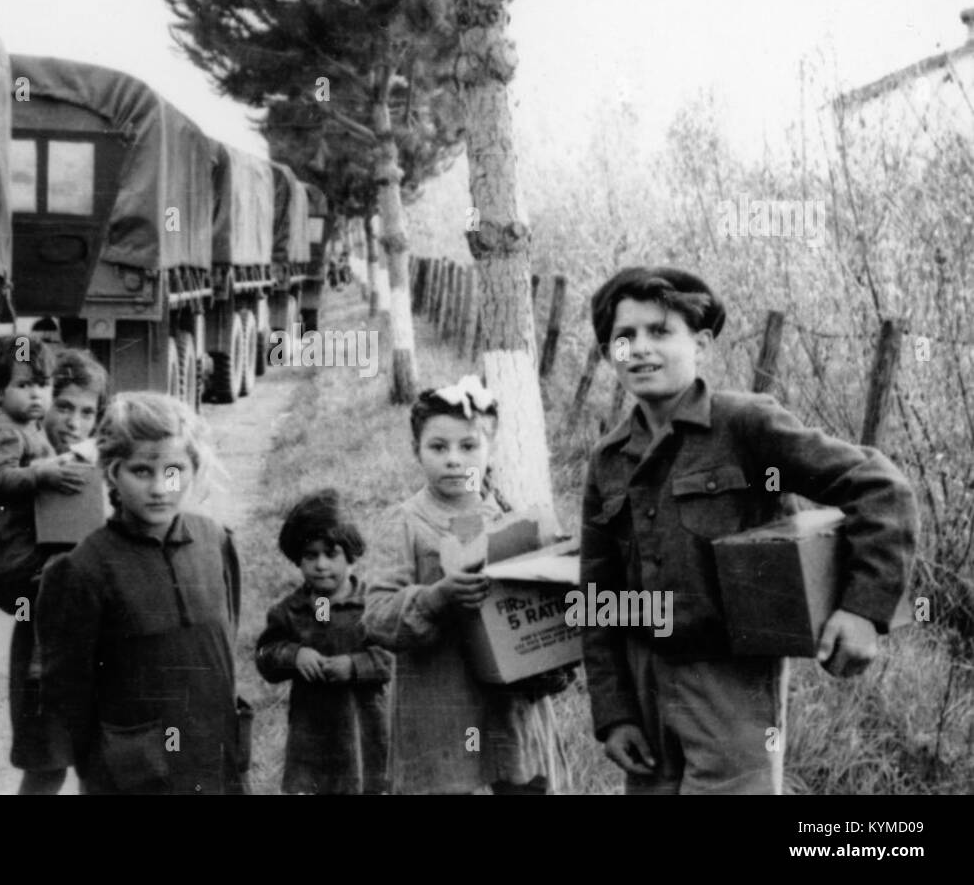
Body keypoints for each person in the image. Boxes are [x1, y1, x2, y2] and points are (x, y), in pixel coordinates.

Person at [580, 267, 918, 794]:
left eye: (659, 331)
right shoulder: (608, 459)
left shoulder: (745, 425)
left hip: (730, 682)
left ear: (702, 341)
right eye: (624, 338)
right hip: (643, 682)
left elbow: (879, 487)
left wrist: (862, 609)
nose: (640, 349)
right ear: (609, 356)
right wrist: (613, 711)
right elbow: (598, 593)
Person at [362, 376, 569, 795]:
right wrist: (437, 597)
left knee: (519, 781)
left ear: (490, 449)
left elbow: (552, 619)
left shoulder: (516, 518)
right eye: (438, 447)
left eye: (469, 446)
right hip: (442, 711)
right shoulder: (406, 523)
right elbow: (376, 617)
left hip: (512, 709)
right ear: (416, 450)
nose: (454, 460)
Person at [36, 391, 244, 794]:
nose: (159, 488)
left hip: (213, 763)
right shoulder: (83, 568)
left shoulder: (215, 542)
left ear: (192, 469)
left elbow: (225, 642)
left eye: (173, 470)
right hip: (132, 776)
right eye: (142, 471)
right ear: (113, 473)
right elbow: (68, 693)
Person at [8, 348, 110, 795]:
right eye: (64, 406)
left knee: (101, 760)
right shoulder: (27, 462)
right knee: (47, 764)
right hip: (41, 648)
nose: (75, 422)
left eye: (87, 413)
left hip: (96, 636)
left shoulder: (95, 467)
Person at [255, 489, 392, 794]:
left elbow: (392, 656)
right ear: (297, 558)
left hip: (363, 729)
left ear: (350, 556)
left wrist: (355, 665)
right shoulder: (290, 611)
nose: (320, 565)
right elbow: (265, 654)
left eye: (331, 554)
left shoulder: (372, 605)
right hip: (311, 734)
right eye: (310, 555)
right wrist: (295, 655)